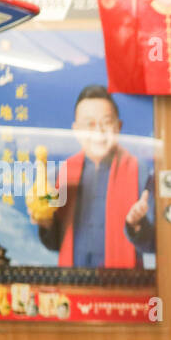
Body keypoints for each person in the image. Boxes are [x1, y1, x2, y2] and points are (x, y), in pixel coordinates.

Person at [29, 85, 155, 269]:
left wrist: (137, 225)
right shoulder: (59, 175)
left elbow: (155, 243)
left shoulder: (141, 173)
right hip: (76, 283)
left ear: (118, 127)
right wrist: (46, 223)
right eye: (89, 124)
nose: (98, 132)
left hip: (125, 287)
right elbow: (54, 243)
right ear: (75, 130)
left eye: (106, 122)